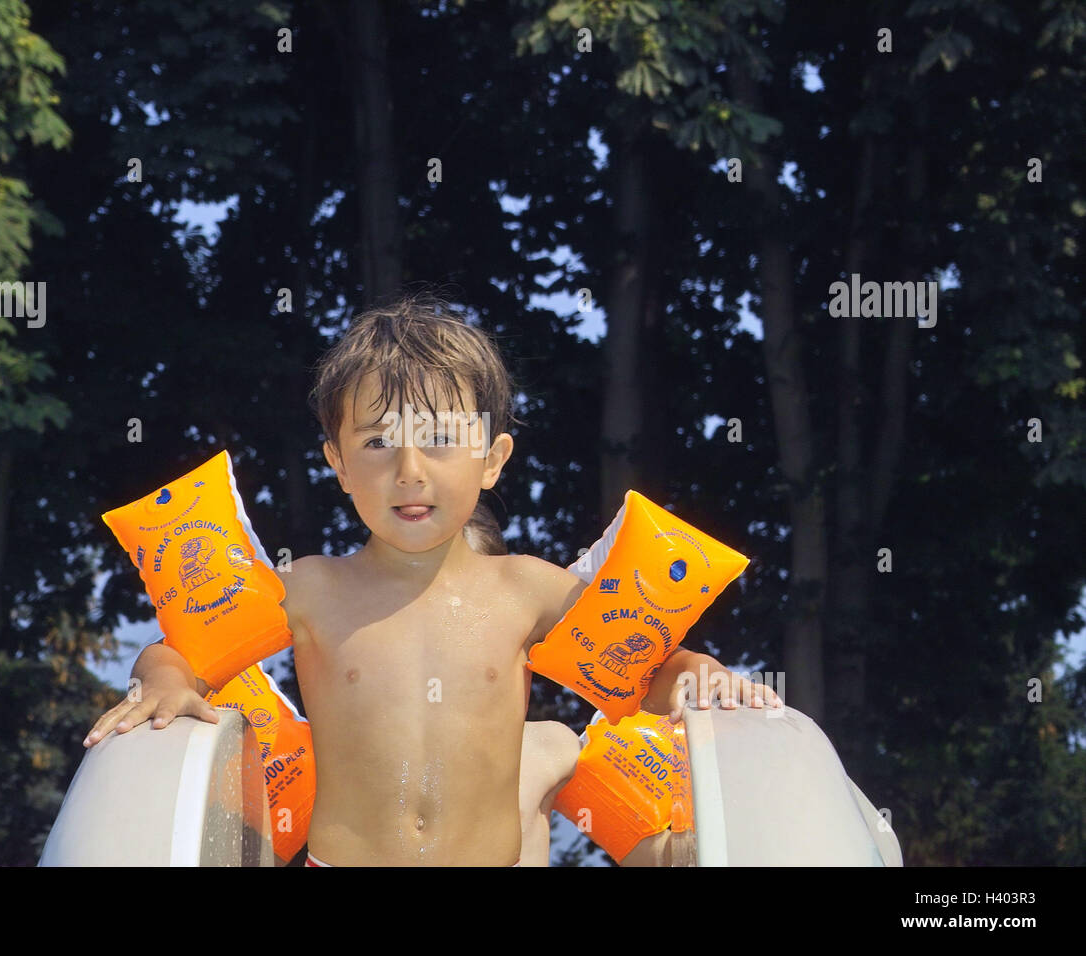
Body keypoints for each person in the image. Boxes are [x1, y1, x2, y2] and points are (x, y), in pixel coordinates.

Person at [85, 293, 779, 866]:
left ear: (492, 458)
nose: (410, 470)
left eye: (441, 439)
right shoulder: (312, 591)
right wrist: (166, 681)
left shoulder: (525, 591)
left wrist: (696, 672)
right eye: (379, 442)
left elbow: (644, 668)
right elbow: (182, 652)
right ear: (338, 463)